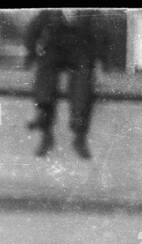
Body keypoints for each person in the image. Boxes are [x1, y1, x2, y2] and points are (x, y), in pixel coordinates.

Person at [24, 9, 106, 159]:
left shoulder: (90, 13)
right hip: (54, 51)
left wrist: (99, 60)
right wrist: (32, 54)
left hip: (80, 52)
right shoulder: (49, 12)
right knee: (45, 68)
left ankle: (79, 132)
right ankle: (44, 122)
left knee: (83, 78)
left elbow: (100, 34)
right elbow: (32, 30)